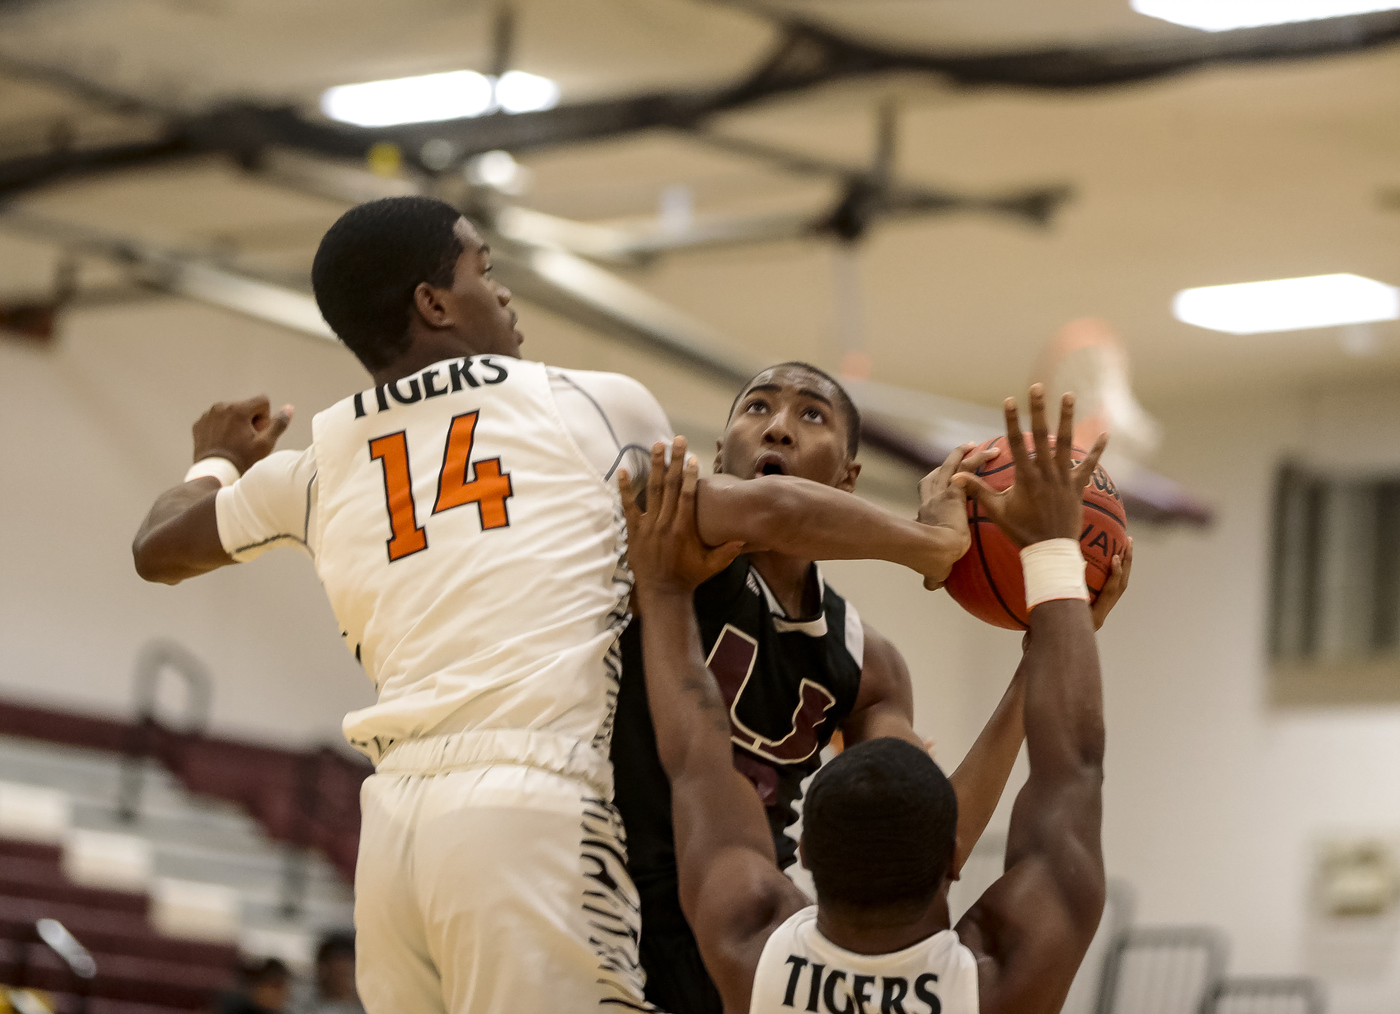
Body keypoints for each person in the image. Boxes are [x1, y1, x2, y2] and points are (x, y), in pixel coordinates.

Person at [130, 196, 1010, 1014]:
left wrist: (213, 460)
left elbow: (157, 549)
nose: (504, 287)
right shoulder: (582, 406)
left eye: (808, 415)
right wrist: (931, 542)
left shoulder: (320, 460)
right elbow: (764, 508)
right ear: (436, 303)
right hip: (539, 805)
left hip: (395, 822)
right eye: (485, 267)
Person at [610, 364, 1131, 1014]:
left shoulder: (867, 659)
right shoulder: (679, 533)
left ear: (848, 479)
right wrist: (954, 554)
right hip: (611, 893)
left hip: (740, 921)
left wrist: (1035, 651)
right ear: (720, 456)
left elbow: (931, 830)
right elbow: (775, 514)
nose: (777, 427)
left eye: (811, 414)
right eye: (758, 408)